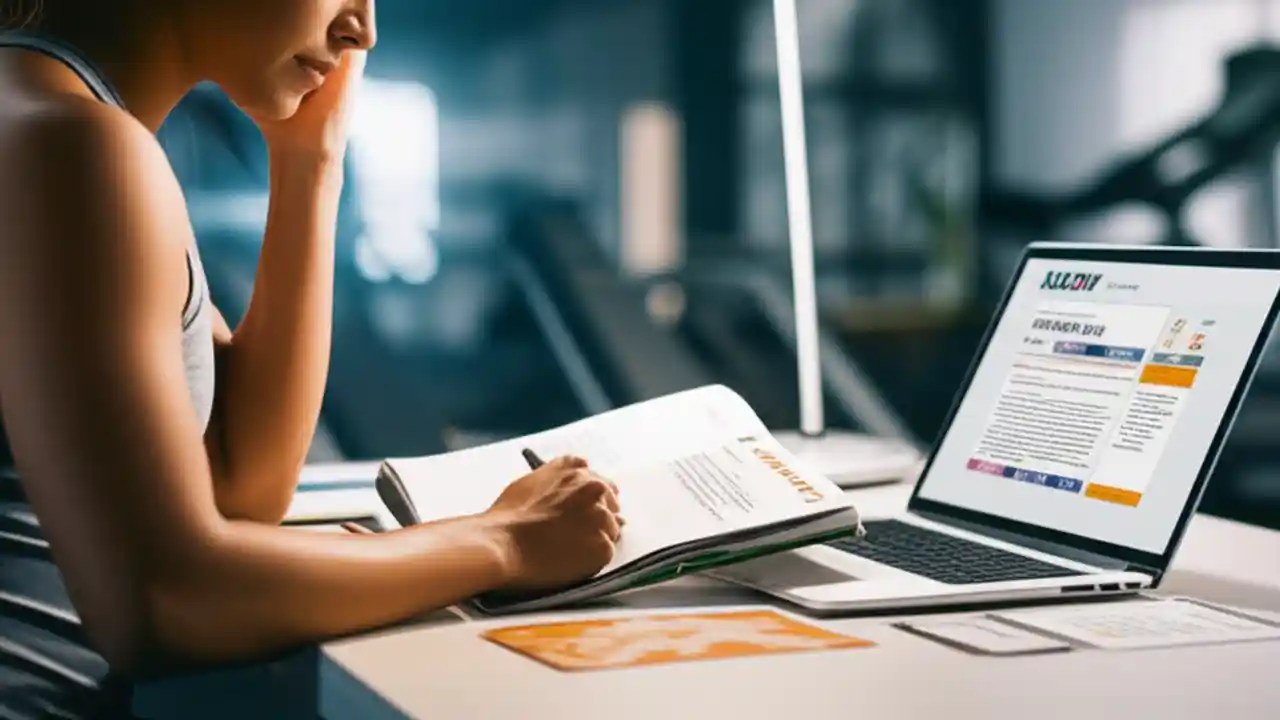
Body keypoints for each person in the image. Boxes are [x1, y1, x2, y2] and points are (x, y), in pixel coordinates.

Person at [0, 1, 623, 716]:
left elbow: (238, 477)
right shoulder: (72, 148)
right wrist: (504, 542)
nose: (363, 28)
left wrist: (309, 162)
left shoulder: (54, 120)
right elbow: (167, 598)